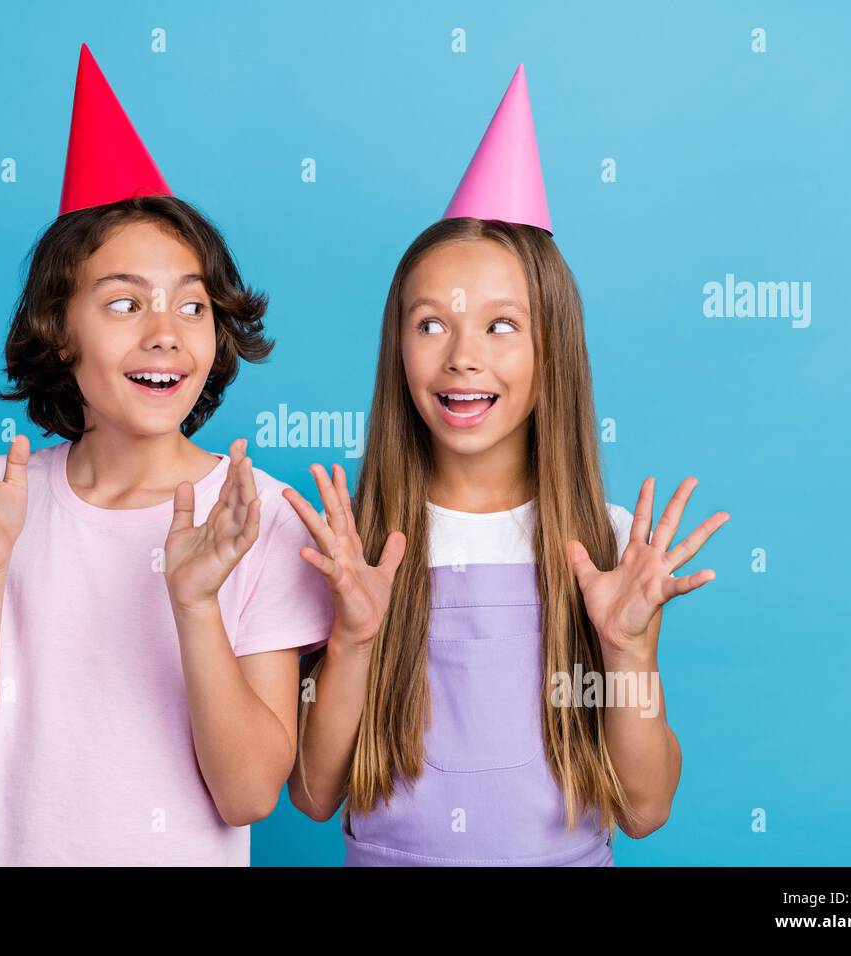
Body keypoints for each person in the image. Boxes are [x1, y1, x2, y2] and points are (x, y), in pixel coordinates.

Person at [284, 64, 729, 865]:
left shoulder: (607, 546)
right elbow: (316, 794)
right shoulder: (355, 550)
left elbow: (647, 807)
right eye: (431, 325)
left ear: (552, 352)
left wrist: (629, 653)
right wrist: (352, 639)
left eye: (501, 327)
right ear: (397, 349)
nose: (462, 357)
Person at [0, 44, 333, 865]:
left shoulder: (257, 517)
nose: (165, 332)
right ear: (61, 334)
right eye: (124, 303)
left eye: (191, 305)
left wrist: (197, 602)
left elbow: (249, 795)